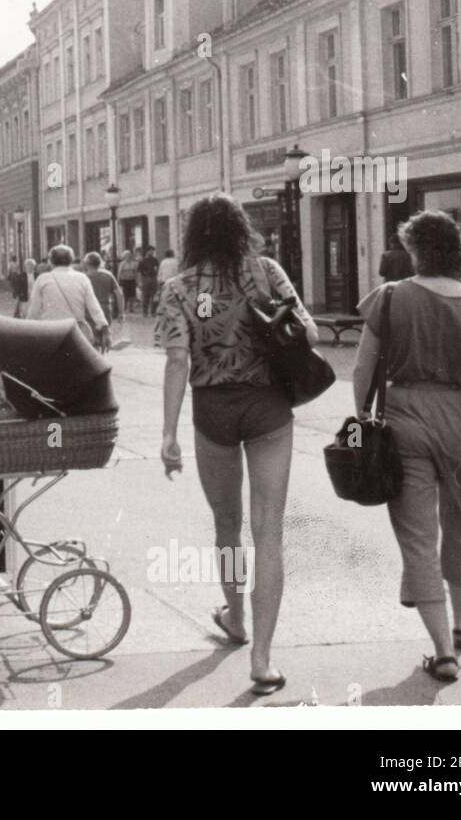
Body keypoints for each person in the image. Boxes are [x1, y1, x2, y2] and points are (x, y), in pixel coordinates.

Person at [154, 193, 318, 696]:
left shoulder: (177, 288)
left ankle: (236, 617)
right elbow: (308, 333)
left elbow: (177, 361)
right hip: (268, 407)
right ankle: (263, 660)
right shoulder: (267, 271)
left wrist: (168, 433)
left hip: (214, 413)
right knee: (269, 531)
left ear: (191, 236)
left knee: (228, 524)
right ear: (241, 229)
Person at [352, 211, 461, 683]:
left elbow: (364, 367)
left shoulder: (389, 298)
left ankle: (443, 651)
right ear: (459, 254)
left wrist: (365, 420)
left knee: (418, 537)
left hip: (405, 418)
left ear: (415, 253)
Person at [26, 244, 110, 344]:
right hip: (75, 332)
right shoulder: (82, 278)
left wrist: (28, 331)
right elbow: (94, 306)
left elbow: (33, 310)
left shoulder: (43, 279)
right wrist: (104, 329)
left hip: (50, 331)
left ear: (51, 261)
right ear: (71, 260)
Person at [84, 251, 127, 324]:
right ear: (99, 263)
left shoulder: (83, 277)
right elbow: (119, 294)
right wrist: (121, 313)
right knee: (104, 333)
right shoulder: (108, 275)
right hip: (104, 309)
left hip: (88, 310)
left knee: (89, 334)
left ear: (87, 264)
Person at [138, 246, 160, 316]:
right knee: (146, 295)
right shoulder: (142, 261)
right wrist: (140, 281)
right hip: (145, 278)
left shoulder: (155, 260)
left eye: (153, 251)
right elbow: (139, 271)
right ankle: (145, 311)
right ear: (147, 251)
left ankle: (153, 311)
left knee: (154, 295)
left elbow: (158, 268)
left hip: (153, 277)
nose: (152, 252)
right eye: (151, 250)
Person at [117, 249, 139, 313]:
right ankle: (124, 307)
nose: (128, 257)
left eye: (129, 255)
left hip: (132, 280)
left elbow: (135, 272)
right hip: (125, 280)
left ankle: (131, 308)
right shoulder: (122, 264)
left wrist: (136, 280)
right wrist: (118, 280)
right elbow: (119, 272)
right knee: (125, 294)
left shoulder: (134, 263)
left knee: (132, 295)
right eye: (126, 255)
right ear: (124, 256)